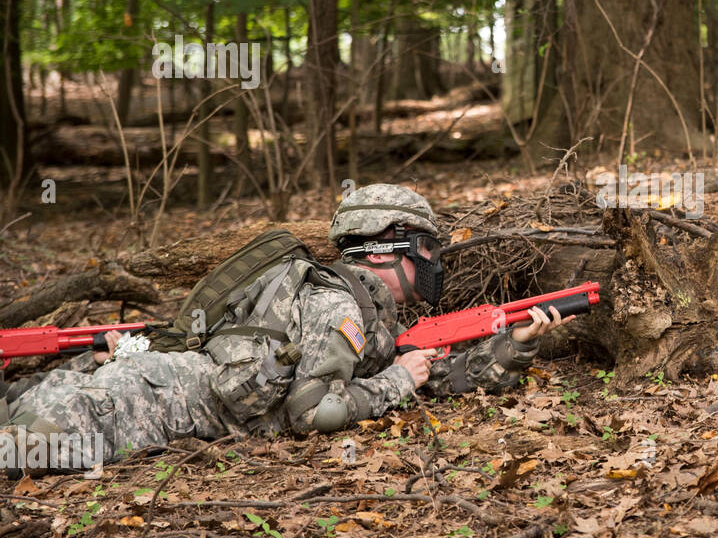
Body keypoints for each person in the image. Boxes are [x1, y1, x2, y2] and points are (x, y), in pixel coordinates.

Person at [0, 184, 572, 469]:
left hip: (129, 389)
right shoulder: (339, 306)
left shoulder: (355, 304)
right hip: (125, 406)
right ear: (384, 250)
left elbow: (432, 372)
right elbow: (311, 412)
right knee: (20, 451)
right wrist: (396, 382)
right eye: (424, 247)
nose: (432, 262)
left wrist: (513, 348)